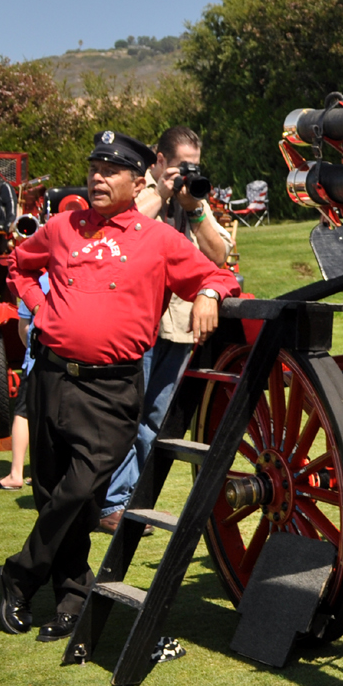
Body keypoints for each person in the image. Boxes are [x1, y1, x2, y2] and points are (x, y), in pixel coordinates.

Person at [0, 130, 240, 641]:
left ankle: (18, 576)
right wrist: (37, 309)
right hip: (52, 378)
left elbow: (218, 273)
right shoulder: (63, 227)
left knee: (80, 488)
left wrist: (210, 294)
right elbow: (17, 264)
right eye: (94, 168)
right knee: (53, 495)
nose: (98, 177)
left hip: (112, 389)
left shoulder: (158, 240)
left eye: (111, 171)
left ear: (137, 179)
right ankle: (71, 597)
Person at [98, 126, 234, 532]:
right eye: (180, 166)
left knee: (155, 419)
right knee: (125, 413)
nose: (188, 173)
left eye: (194, 165)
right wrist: (162, 189)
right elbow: (123, 234)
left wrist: (193, 206)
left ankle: (128, 500)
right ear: (159, 160)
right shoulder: (137, 192)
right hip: (133, 325)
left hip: (177, 326)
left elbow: (220, 255)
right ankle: (108, 503)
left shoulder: (195, 199)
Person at [0, 275, 49, 492]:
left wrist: (35, 353)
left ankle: (16, 473)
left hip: (37, 360)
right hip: (67, 362)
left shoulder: (37, 283)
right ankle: (45, 473)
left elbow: (24, 328)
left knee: (23, 414)